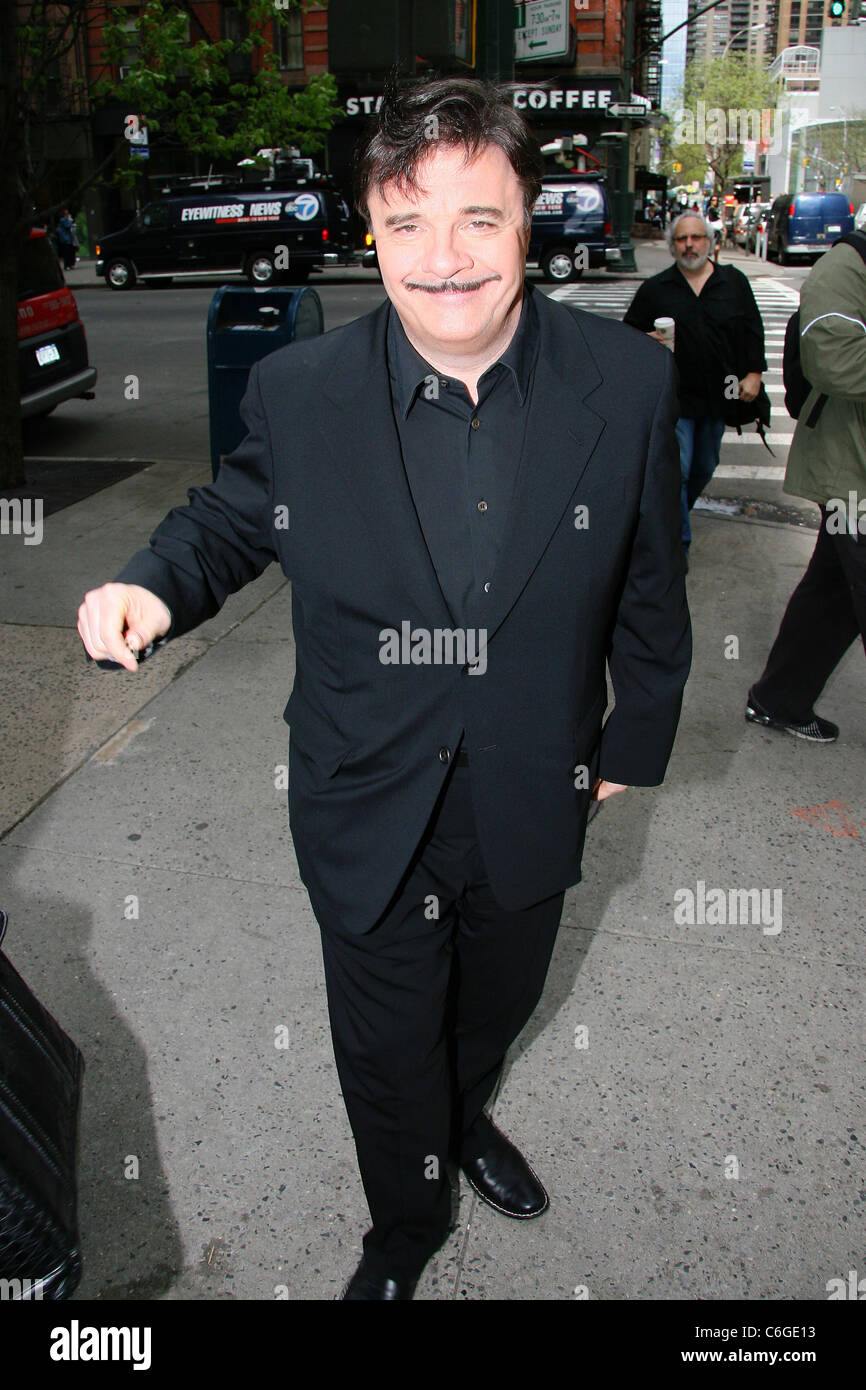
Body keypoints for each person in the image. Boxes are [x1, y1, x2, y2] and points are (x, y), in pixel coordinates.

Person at [76, 76, 691, 1300]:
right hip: (365, 795)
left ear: (529, 224)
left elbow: (649, 575)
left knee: (493, 1003)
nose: (443, 258)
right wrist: (151, 583)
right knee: (384, 1042)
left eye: (478, 218)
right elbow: (227, 519)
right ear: (369, 228)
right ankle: (401, 1227)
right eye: (406, 221)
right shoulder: (303, 393)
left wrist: (640, 737)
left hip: (534, 781)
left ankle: (464, 1120)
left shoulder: (620, 384)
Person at [746, 230, 866, 742]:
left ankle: (779, 699)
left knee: (832, 596)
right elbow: (833, 360)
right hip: (853, 472)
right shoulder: (847, 264)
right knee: (833, 592)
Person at [623, 211, 766, 566]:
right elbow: (626, 338)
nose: (690, 245)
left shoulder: (733, 283)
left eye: (696, 238)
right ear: (672, 246)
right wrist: (646, 341)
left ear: (710, 242)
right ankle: (678, 547)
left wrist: (754, 373)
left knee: (704, 465)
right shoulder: (656, 289)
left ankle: (669, 516)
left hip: (719, 398)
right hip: (674, 399)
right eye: (683, 239)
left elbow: (752, 328)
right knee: (680, 472)